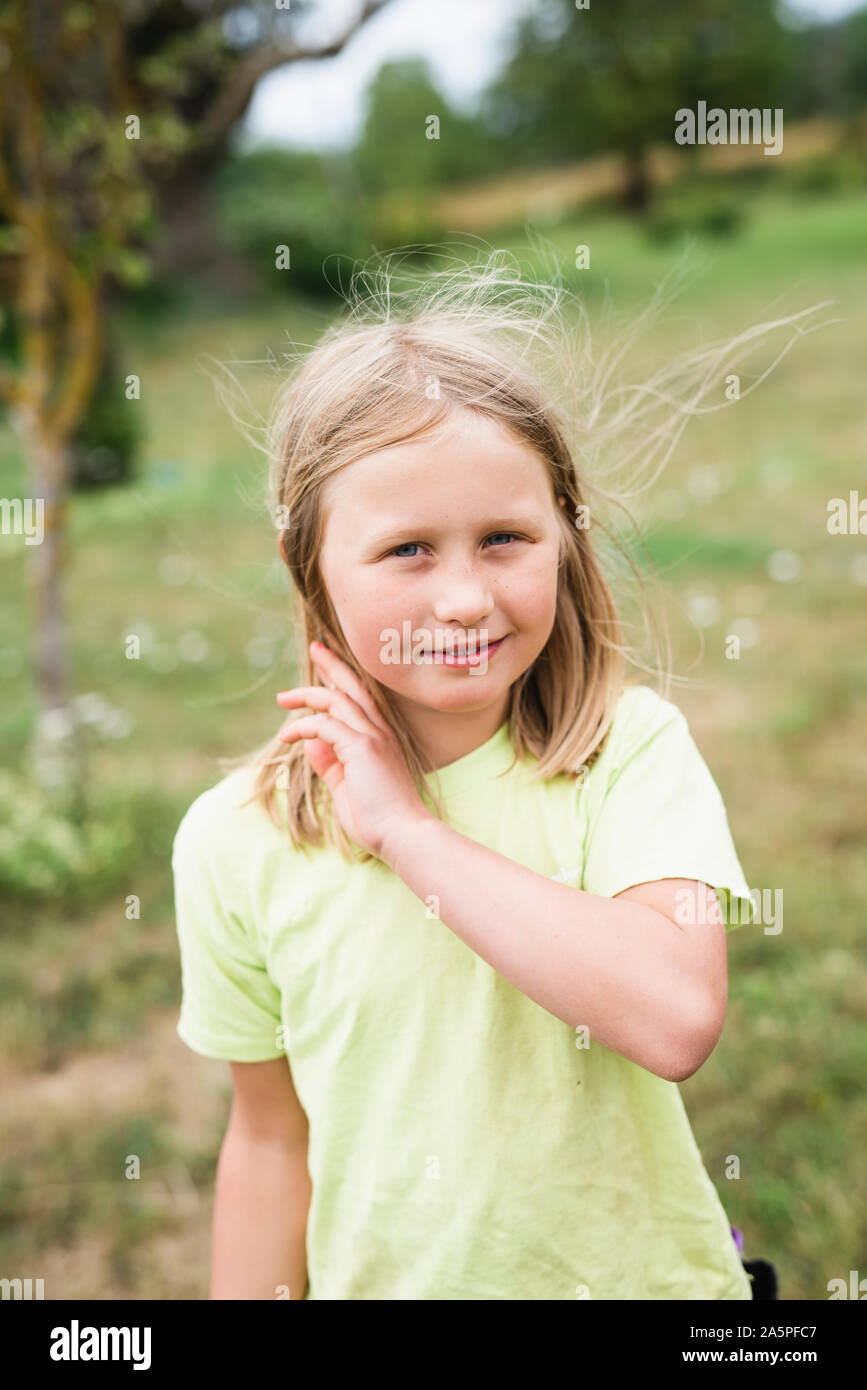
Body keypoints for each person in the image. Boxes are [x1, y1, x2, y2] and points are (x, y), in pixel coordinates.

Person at [172, 249, 812, 1300]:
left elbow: (673, 1017)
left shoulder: (629, 752)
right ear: (310, 566)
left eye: (504, 537)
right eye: (410, 550)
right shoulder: (236, 838)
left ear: (566, 536)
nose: (465, 597)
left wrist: (410, 833)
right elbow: (269, 1143)